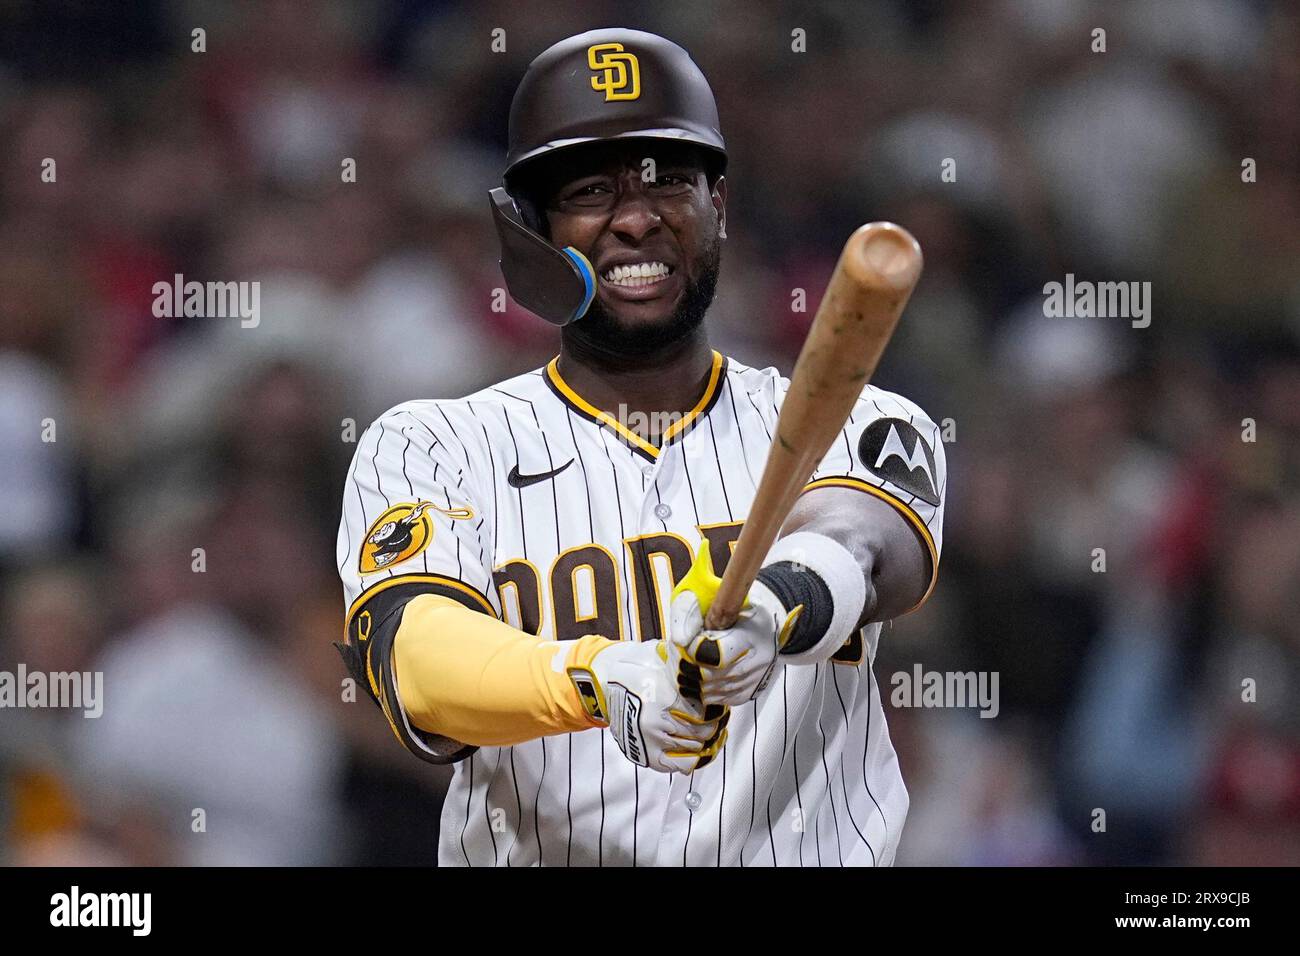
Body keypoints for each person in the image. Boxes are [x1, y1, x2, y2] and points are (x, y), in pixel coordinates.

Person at [335, 28, 946, 866]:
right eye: (590, 190)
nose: (635, 218)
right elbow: (416, 662)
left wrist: (774, 605)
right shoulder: (433, 444)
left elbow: (865, 544)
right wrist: (599, 682)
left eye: (667, 181)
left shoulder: (862, 416)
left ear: (719, 206)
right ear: (532, 230)